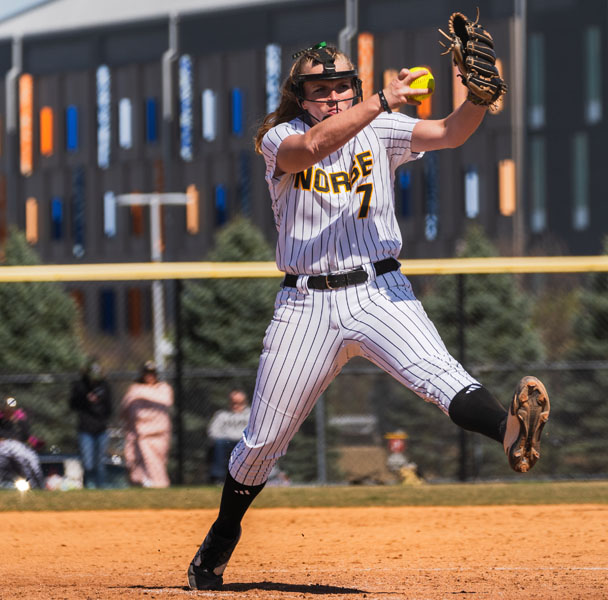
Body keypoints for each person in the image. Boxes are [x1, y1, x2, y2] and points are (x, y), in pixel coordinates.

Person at [187, 37, 549, 591]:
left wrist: (478, 95)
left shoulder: (380, 129)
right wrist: (380, 97)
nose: (332, 96)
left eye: (340, 86)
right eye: (320, 88)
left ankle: (511, 432)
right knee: (262, 442)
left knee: (439, 375)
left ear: (352, 87)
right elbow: (310, 149)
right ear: (300, 96)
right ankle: (222, 535)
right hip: (306, 303)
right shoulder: (279, 137)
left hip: (378, 289)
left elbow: (451, 132)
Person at [119, 361, 174, 488]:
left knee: (156, 463)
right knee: (135, 463)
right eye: (147, 373)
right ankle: (143, 483)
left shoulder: (163, 388)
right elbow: (126, 410)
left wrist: (141, 398)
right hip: (139, 434)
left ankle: (158, 485)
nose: (150, 376)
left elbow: (165, 403)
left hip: (158, 433)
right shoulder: (135, 389)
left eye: (152, 373)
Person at [69, 358, 113, 489]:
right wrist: (85, 397)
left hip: (101, 429)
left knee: (100, 463)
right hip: (85, 430)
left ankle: (101, 489)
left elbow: (109, 408)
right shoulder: (80, 386)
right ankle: (88, 487)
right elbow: (73, 404)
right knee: (87, 463)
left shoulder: (104, 386)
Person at [207, 389, 251, 484]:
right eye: (233, 402)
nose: (236, 405)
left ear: (245, 402)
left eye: (239, 403)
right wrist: (226, 437)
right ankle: (218, 478)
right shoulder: (222, 415)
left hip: (244, 442)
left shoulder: (252, 414)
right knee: (219, 443)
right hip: (225, 442)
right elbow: (213, 432)